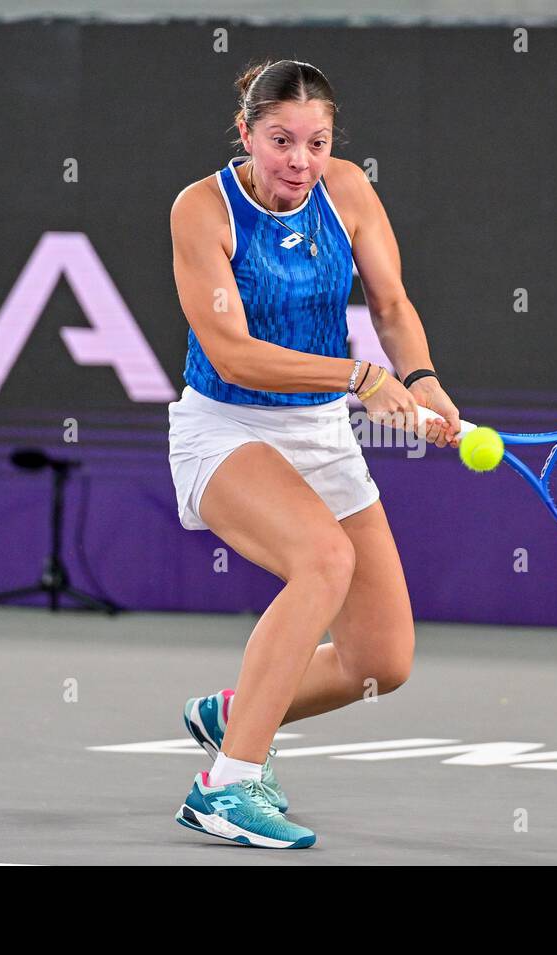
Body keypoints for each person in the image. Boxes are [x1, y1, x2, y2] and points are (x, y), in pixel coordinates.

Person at [167, 58, 461, 849]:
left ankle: (237, 712)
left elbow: (392, 304)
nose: (299, 160)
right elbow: (232, 352)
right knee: (323, 560)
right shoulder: (203, 211)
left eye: (317, 141)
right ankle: (226, 786)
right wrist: (364, 375)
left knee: (382, 658)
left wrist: (422, 377)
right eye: (281, 141)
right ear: (246, 134)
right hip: (225, 430)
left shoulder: (350, 192)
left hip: (321, 434)